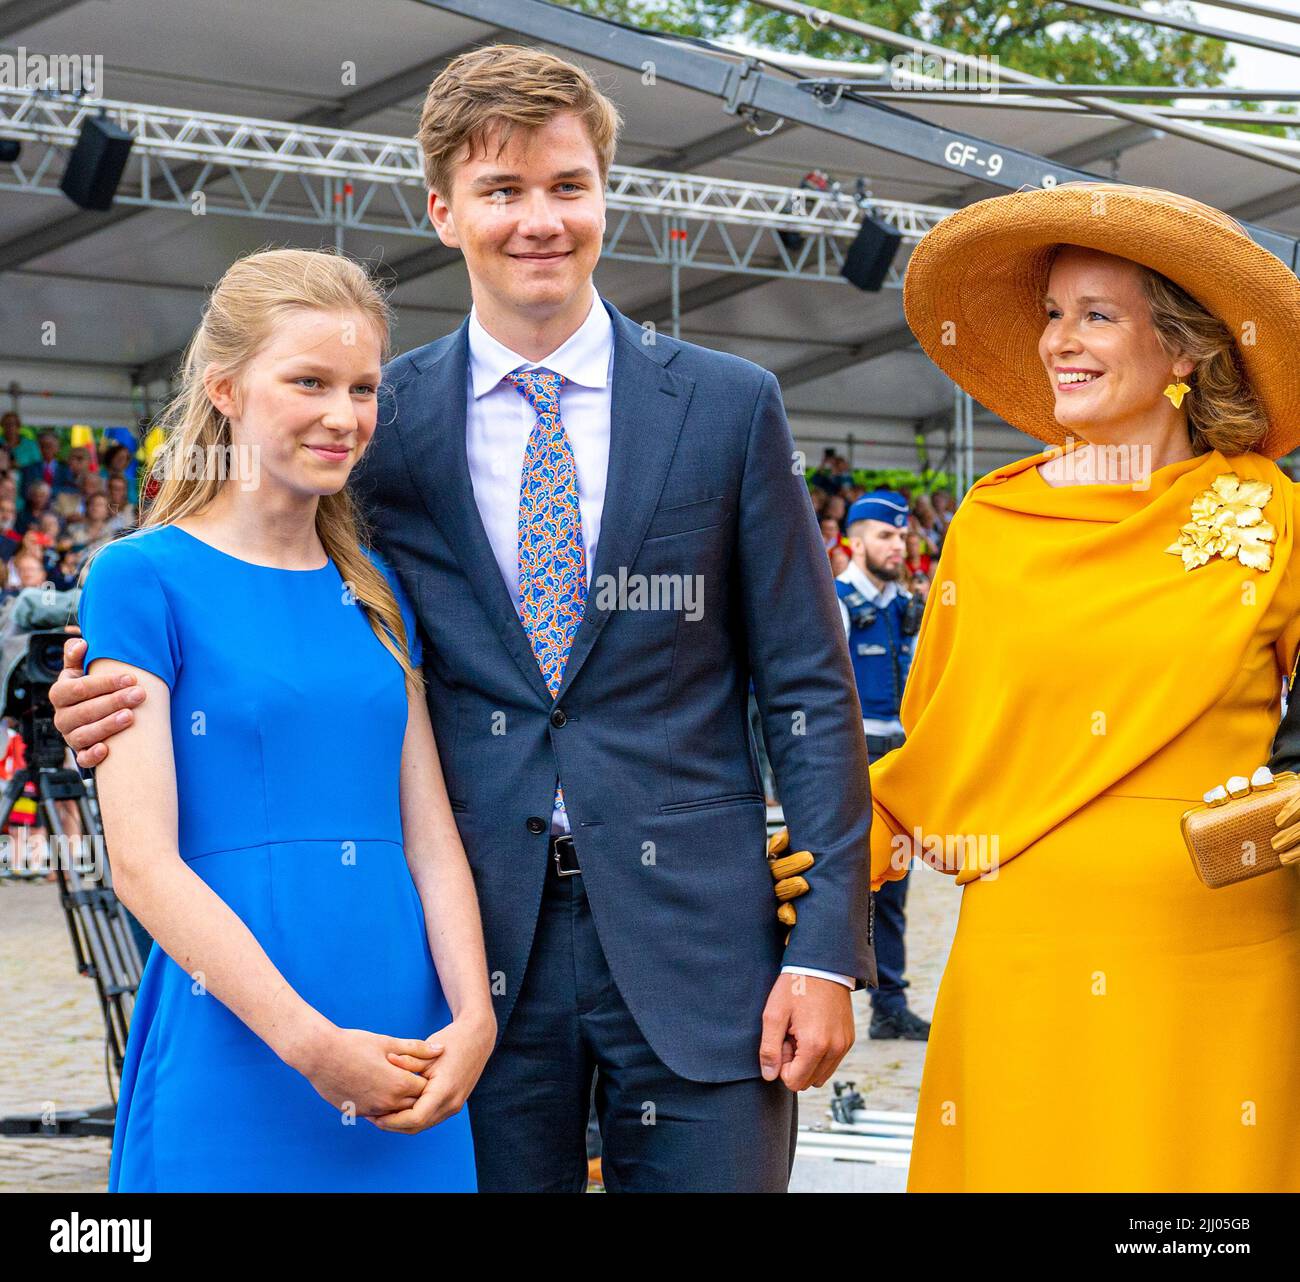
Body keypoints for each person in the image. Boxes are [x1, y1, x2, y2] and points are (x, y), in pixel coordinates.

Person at [52, 44, 874, 1194]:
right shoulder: (385, 425)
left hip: (704, 956)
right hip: (468, 972)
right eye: (501, 190)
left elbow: (808, 688)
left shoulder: (732, 409)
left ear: (605, 196)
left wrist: (829, 950)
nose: (539, 220)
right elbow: (250, 590)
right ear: (443, 211)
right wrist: (105, 683)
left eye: (566, 186)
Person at [875, 181, 1300, 1191]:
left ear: (1183, 349)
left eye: (1096, 315)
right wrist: (840, 842)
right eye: (1053, 314)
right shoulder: (988, 523)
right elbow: (930, 742)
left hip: (1222, 953)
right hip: (1025, 950)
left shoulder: (1268, 512)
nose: (1058, 340)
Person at [69, 248, 491, 1191]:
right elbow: (141, 860)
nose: (344, 417)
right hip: (241, 1029)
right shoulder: (140, 578)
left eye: (364, 388)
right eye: (309, 381)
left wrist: (473, 1018)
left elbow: (430, 838)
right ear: (224, 388)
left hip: (408, 1033)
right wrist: (308, 1044)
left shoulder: (377, 593)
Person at [836, 491, 929, 1041]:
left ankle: (889, 1004)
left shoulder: (904, 604)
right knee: (842, 883)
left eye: (903, 536)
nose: (898, 546)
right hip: (851, 756)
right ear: (855, 539)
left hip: (898, 757)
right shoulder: (835, 600)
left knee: (893, 886)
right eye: (886, 536)